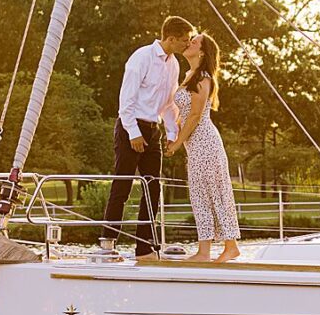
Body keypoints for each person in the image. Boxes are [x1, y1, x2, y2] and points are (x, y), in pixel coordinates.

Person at [103, 15, 193, 255]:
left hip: (154, 130)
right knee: (122, 186)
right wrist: (133, 132)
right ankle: (107, 242)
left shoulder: (173, 64)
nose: (188, 44)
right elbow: (126, 100)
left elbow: (169, 103)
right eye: (184, 40)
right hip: (130, 127)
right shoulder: (141, 57)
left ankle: (144, 246)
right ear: (171, 38)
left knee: (153, 188)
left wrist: (172, 132)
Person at [166, 33, 241, 261]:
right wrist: (173, 134)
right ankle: (205, 251)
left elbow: (196, 115)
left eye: (195, 41)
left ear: (202, 51)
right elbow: (184, 114)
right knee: (199, 195)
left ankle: (230, 246)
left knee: (215, 192)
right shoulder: (189, 76)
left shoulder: (203, 78)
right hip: (195, 144)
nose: (189, 42)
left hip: (206, 142)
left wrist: (177, 143)